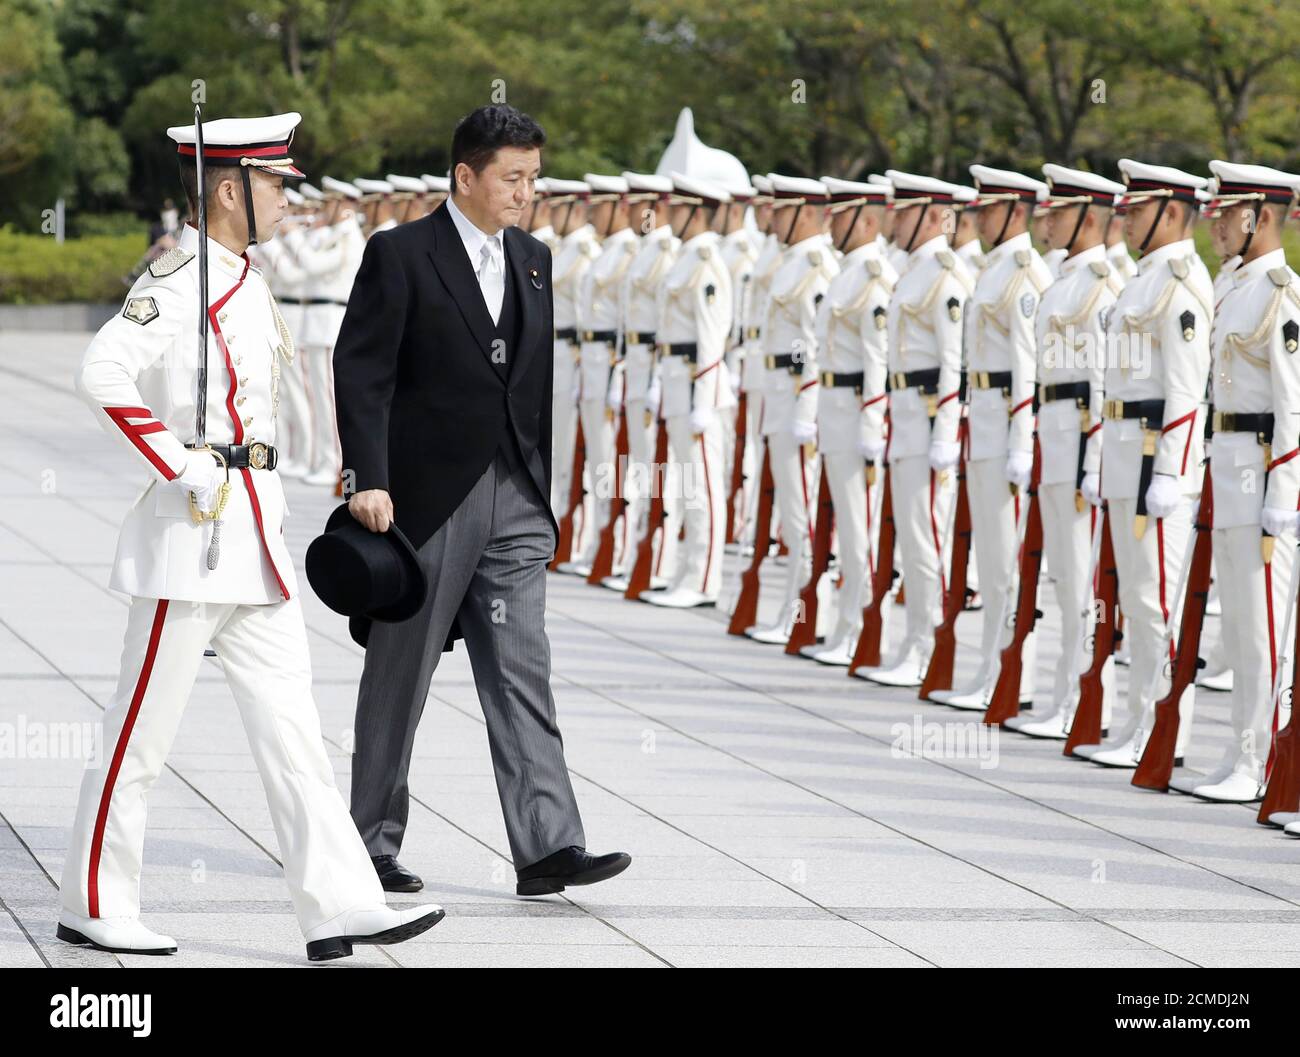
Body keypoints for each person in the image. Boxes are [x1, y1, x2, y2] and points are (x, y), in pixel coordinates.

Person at [58, 111, 444, 961]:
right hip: (190, 539)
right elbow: (101, 371)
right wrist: (179, 464)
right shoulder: (180, 278)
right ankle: (95, 898)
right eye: (275, 185)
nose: (287, 200)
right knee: (141, 735)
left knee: (294, 733)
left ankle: (340, 902)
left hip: (253, 542)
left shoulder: (243, 277)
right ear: (230, 190)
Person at [332, 104, 630, 897]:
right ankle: (366, 842)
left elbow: (534, 388)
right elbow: (363, 372)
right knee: (401, 677)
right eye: (513, 177)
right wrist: (369, 478)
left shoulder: (533, 257)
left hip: (515, 499)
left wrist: (539, 485)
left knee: (523, 670)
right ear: (465, 176)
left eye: (534, 177)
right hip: (424, 501)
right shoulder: (400, 255)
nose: (526, 193)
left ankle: (548, 845)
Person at [1077, 160, 1211, 769]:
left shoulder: (1179, 282)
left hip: (1157, 459)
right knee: (1135, 595)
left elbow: (1185, 390)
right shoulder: (1143, 279)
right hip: (1128, 450)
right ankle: (1137, 721)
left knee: (1155, 599)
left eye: (1138, 210)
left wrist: (1170, 476)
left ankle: (1163, 729)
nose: (1125, 219)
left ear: (1173, 213)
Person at [1183, 161, 1300, 802]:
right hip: (1228, 468)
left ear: (1257, 216)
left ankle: (1260, 762)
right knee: (1236, 626)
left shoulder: (1281, 292)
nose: (1217, 223)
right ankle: (1239, 750)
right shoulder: (1233, 287)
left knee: (1261, 629)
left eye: (1227, 213)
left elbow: (1293, 407)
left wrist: (1283, 497)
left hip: (1259, 480)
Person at [1007, 164, 1127, 740]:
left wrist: (1096, 462)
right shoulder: (1063, 281)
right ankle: (1062, 699)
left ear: (1086, 218)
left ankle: (1086, 702)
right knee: (1061, 580)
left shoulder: (1102, 284)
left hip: (1081, 446)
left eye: (1056, 212)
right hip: (1055, 439)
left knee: (1082, 583)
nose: (1045, 221)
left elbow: (1108, 382)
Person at [930, 166, 1051, 710]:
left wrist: (1022, 442)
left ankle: (1012, 676)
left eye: (988, 207)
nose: (976, 216)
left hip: (1005, 427)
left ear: (1016, 213)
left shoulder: (1023, 273)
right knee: (989, 555)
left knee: (1006, 561)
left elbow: (1028, 366)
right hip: (983, 422)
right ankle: (990, 671)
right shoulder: (994, 269)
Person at [857, 171, 972, 687]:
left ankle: (929, 647)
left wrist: (946, 433)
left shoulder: (945, 275)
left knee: (926, 537)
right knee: (909, 534)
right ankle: (913, 643)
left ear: (930, 215)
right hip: (906, 416)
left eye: (903, 212)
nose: (893, 221)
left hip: (928, 422)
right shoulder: (912, 272)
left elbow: (953, 364)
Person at [800, 176, 895, 664]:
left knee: (860, 528)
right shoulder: (846, 273)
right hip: (835, 409)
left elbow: (879, 358)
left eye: (844, 215)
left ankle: (862, 626)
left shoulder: (874, 275)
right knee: (843, 524)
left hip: (857, 413)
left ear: (870, 220)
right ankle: (844, 624)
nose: (832, 223)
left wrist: (872, 425)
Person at [745, 174, 839, 645]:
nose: (772, 218)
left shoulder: (816, 265)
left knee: (801, 515)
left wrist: (806, 411)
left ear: (804, 213)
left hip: (797, 401)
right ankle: (793, 611)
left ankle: (805, 615)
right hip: (778, 396)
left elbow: (816, 346)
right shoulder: (792, 261)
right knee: (790, 511)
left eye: (781, 210)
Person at [643, 172, 735, 608]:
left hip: (699, 390)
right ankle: (686, 571)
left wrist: (702, 403)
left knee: (703, 487)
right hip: (678, 381)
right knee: (685, 484)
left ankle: (703, 580)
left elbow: (712, 340)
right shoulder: (685, 259)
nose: (669, 215)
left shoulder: (706, 264)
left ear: (697, 212)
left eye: (678, 208)